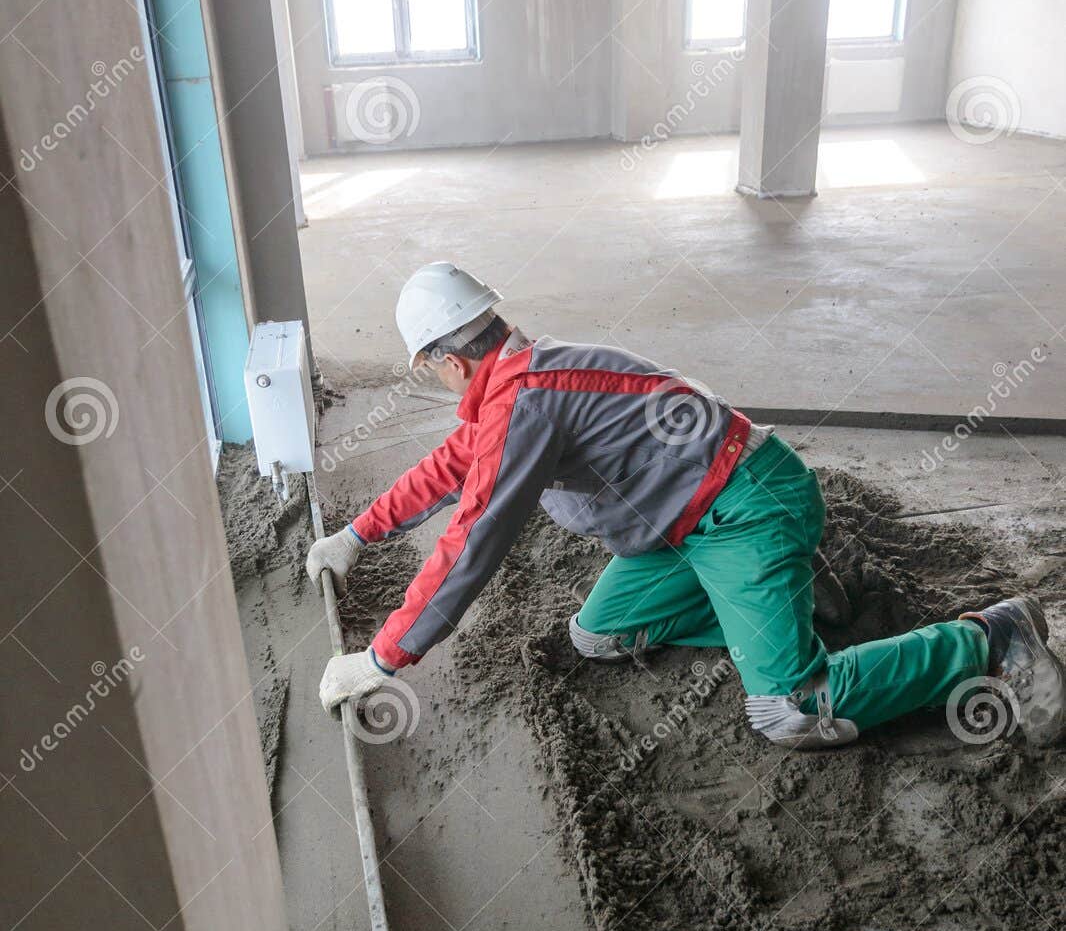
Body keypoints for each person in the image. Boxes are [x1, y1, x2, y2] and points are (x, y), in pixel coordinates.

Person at [307, 263, 1065, 750]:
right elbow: (453, 464)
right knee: (598, 636)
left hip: (745, 508)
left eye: (431, 370)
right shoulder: (520, 377)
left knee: (793, 711)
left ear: (448, 358)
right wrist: (357, 532)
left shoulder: (524, 400)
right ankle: (793, 592)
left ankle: (990, 637)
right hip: (691, 525)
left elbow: (472, 541)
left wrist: (382, 658)